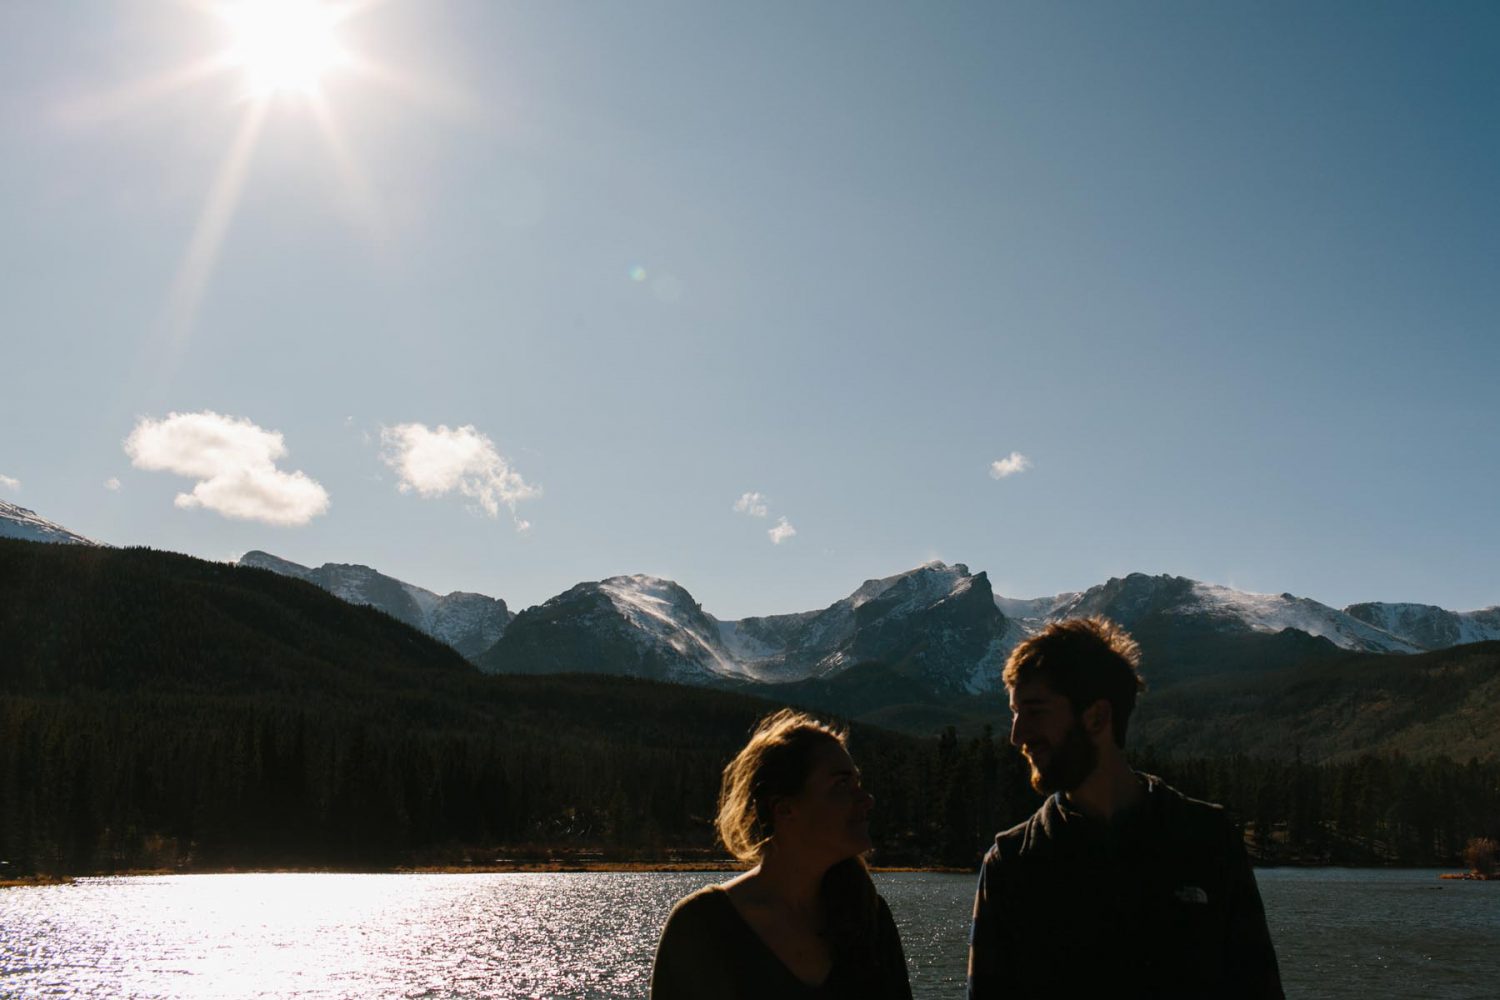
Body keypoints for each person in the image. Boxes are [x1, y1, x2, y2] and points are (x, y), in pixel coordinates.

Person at [968, 617, 1283, 999]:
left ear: (1097, 717)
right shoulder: (1011, 863)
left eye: (1034, 712)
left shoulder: (1208, 840)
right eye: (1014, 714)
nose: (1017, 735)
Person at [651, 708, 913, 999]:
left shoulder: (870, 919)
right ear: (784, 809)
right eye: (841, 785)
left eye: (858, 784)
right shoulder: (702, 925)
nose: (866, 799)